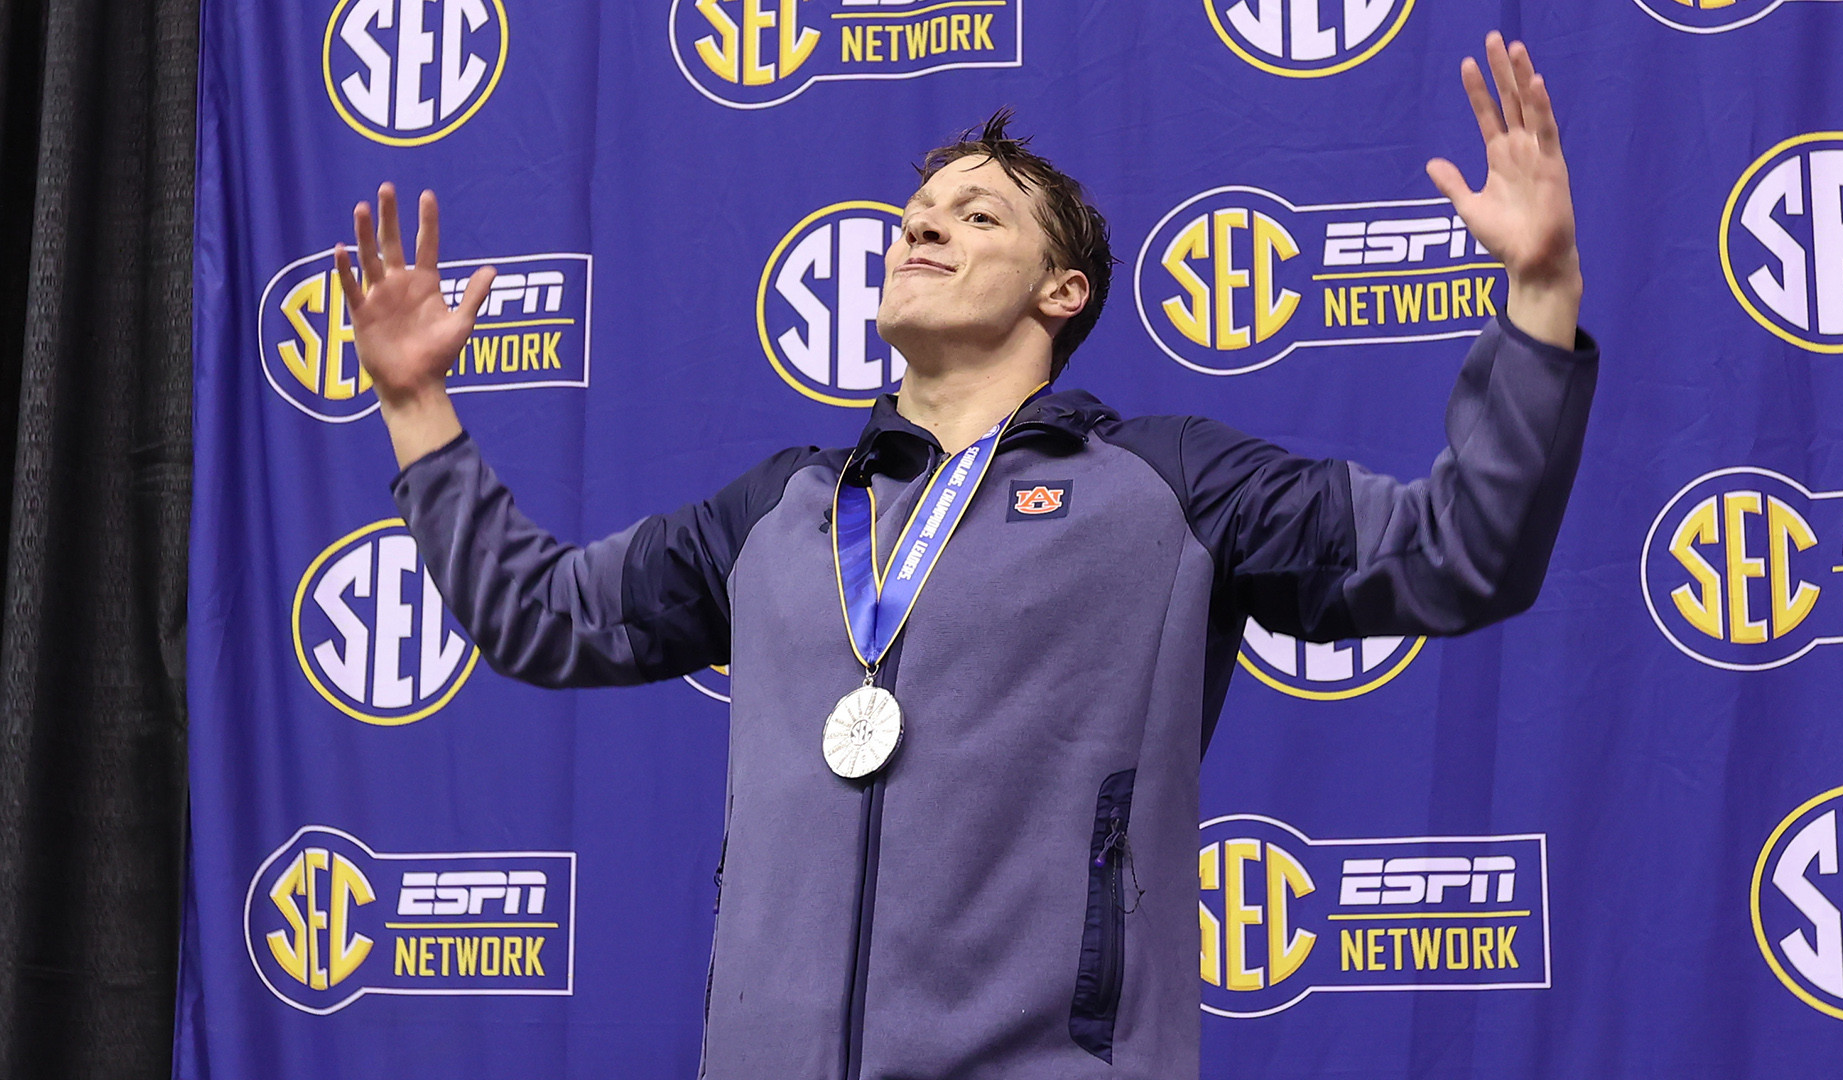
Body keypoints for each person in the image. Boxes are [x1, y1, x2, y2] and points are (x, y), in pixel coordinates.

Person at [339, 31, 1594, 1080]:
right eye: (916, 213)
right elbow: (542, 616)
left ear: (1064, 292)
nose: (922, 230)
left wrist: (1538, 297)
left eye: (976, 214)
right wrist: (416, 409)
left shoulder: (1171, 486)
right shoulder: (784, 512)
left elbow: (1457, 552)